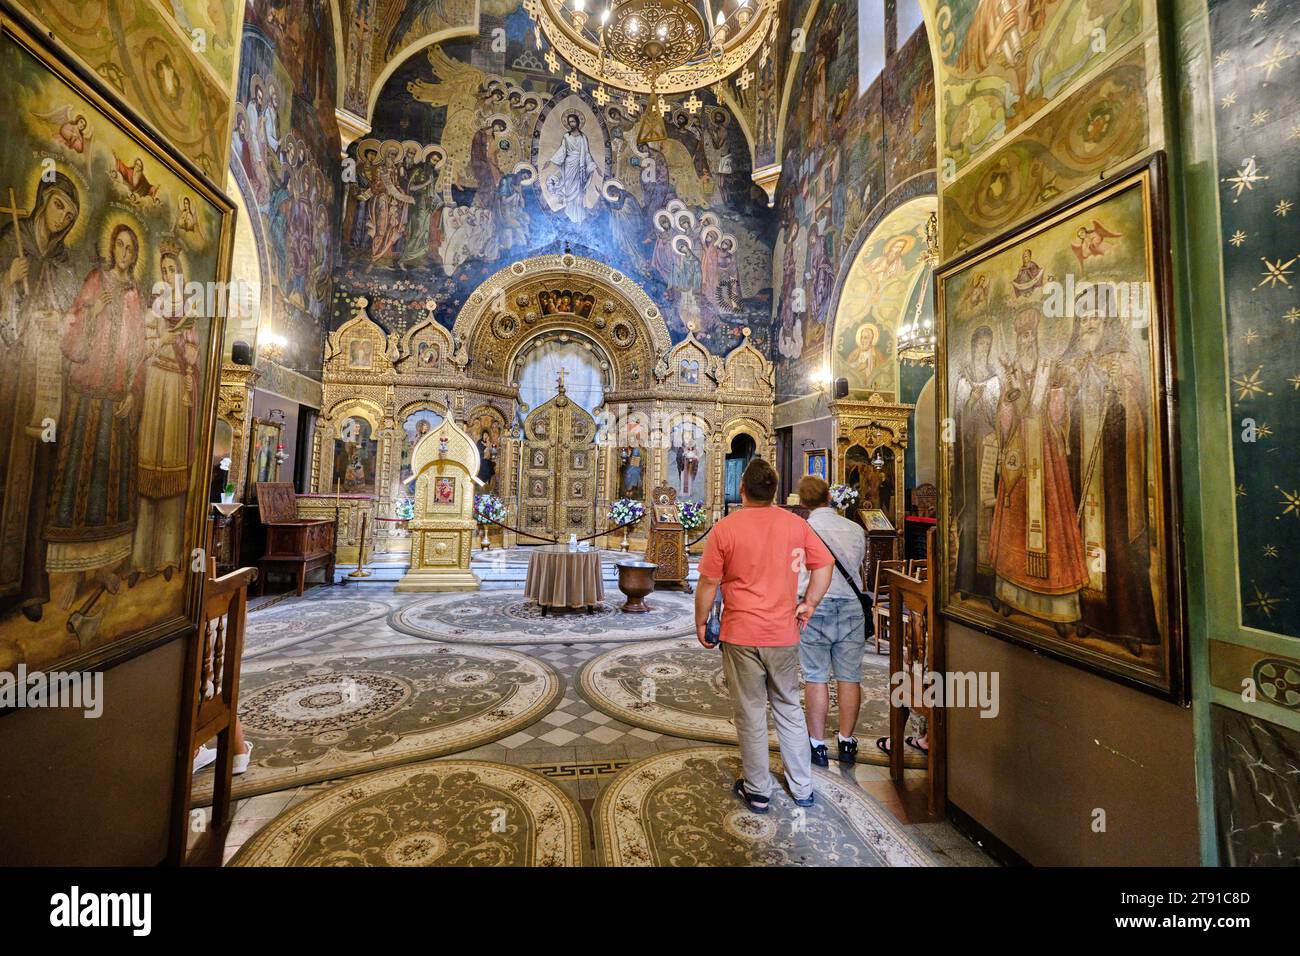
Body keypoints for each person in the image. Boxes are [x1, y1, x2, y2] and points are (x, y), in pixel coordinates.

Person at [695, 458, 833, 813]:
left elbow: (709, 582)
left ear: (742, 489)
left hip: (740, 633)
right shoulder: (796, 525)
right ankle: (802, 787)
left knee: (751, 710)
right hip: (784, 632)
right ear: (774, 492)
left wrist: (700, 622)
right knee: (788, 706)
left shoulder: (725, 528)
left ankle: (758, 790)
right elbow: (825, 564)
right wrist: (810, 603)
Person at [795, 476, 868, 766]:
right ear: (829, 497)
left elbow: (799, 573)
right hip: (851, 606)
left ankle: (817, 745)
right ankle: (847, 741)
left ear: (801, 502)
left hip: (815, 605)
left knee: (815, 676)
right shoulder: (855, 529)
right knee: (850, 677)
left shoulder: (802, 530)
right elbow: (859, 564)